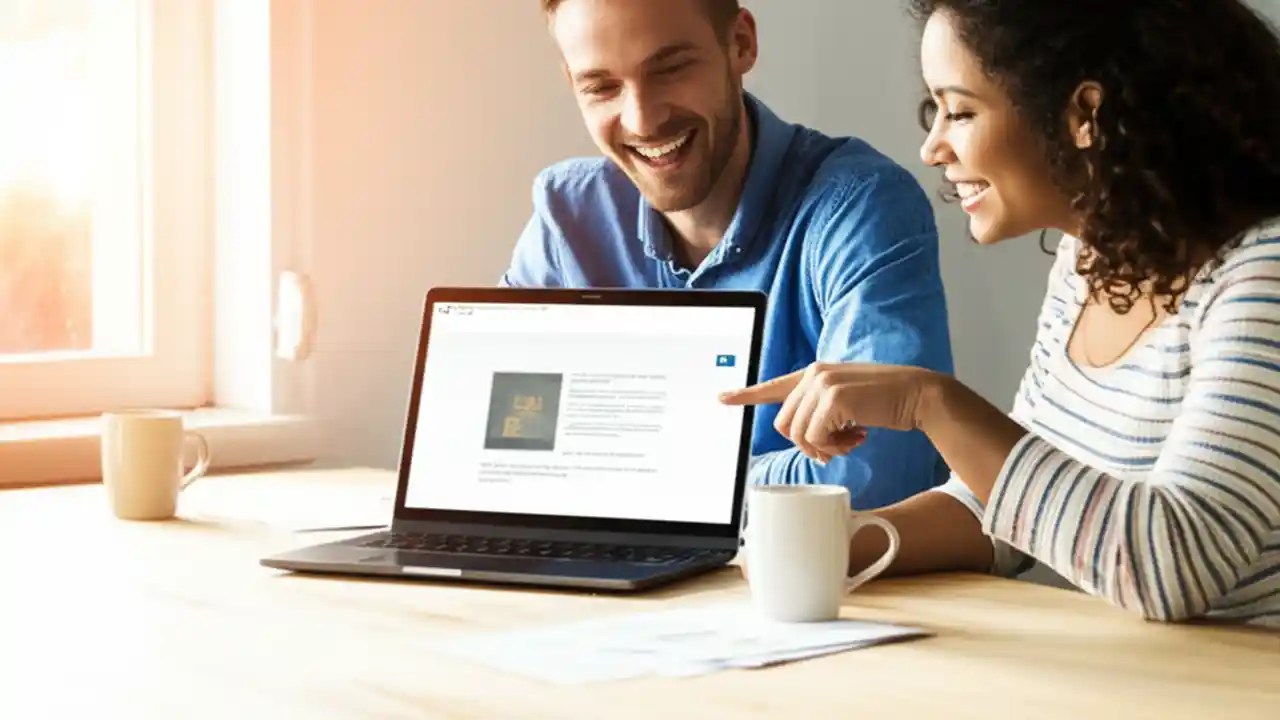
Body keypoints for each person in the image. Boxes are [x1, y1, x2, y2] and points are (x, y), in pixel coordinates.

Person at [723, 0, 1280, 626]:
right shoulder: (1085, 263)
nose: (932, 147)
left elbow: (1173, 565)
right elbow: (1019, 510)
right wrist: (840, 543)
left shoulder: (1262, 275)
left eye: (959, 111)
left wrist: (931, 403)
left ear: (1083, 115)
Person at [501, 0, 955, 509]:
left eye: (670, 68)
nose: (643, 120)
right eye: (601, 87)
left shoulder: (860, 206)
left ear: (740, 44)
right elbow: (498, 453)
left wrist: (624, 481)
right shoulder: (567, 216)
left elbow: (877, 474)